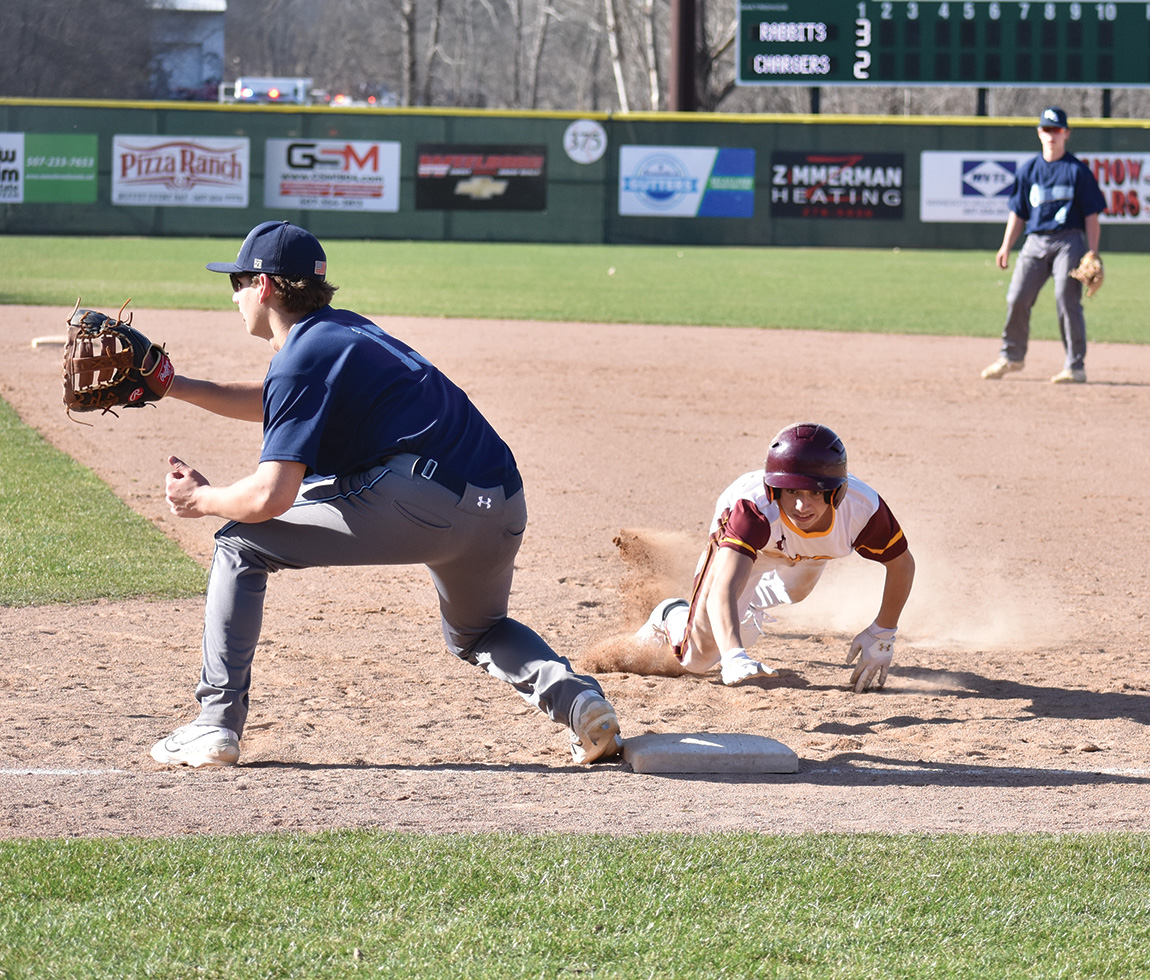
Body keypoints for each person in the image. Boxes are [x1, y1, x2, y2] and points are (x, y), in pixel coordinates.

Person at [150, 220, 622, 768]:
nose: (232, 294)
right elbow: (279, 399)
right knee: (478, 631)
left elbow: (270, 499)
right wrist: (174, 385)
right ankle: (579, 702)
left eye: (237, 281)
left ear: (266, 286)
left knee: (239, 542)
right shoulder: (341, 334)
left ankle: (214, 725)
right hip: (501, 505)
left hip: (421, 498)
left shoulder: (303, 354)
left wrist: (201, 499)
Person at [634, 422, 915, 693]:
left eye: (816, 492)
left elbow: (902, 565)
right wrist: (733, 655)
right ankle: (669, 612)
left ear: (836, 492)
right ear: (774, 488)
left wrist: (883, 632)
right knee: (699, 658)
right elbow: (725, 586)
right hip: (756, 548)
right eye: (791, 491)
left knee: (795, 590)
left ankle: (744, 610)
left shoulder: (862, 510)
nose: (801, 505)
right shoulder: (752, 510)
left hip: (808, 552)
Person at [981, 106, 1107, 385]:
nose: (1051, 134)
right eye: (1046, 129)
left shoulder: (1077, 171)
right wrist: (1005, 246)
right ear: (1039, 132)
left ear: (1066, 133)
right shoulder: (1029, 171)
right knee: (1016, 297)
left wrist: (1093, 251)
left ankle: (1075, 366)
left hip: (1068, 240)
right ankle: (1011, 356)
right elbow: (1018, 212)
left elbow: (1091, 215)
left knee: (1066, 298)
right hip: (1035, 241)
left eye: (1057, 129)